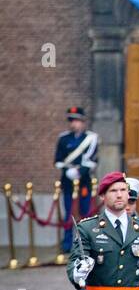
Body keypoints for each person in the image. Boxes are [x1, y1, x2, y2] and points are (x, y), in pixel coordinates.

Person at [54, 106, 98, 252]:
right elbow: (58, 160)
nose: (74, 123)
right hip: (68, 183)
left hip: (84, 181)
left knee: (86, 213)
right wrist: (68, 171)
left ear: (83, 122)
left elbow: (92, 161)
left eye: (77, 120)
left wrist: (79, 171)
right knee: (68, 212)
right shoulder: (63, 138)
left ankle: (86, 243)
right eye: (71, 120)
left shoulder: (91, 138)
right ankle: (67, 244)